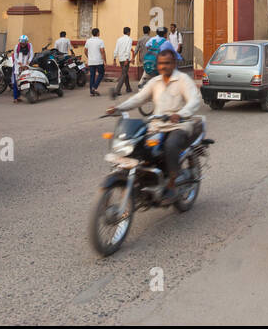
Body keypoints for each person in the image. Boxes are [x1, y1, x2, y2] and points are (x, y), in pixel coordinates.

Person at [109, 47, 203, 203]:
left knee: (171, 145)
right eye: (160, 63)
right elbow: (139, 98)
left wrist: (180, 114)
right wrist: (119, 107)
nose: (163, 67)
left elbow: (194, 100)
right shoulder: (155, 81)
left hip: (179, 125)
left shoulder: (183, 80)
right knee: (138, 146)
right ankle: (143, 179)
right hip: (158, 125)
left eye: (166, 63)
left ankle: (173, 182)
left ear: (173, 63)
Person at [112, 26, 135, 97]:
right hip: (125, 59)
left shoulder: (119, 39)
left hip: (120, 58)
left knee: (125, 73)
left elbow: (116, 49)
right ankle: (117, 90)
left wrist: (114, 59)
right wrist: (127, 59)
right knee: (124, 74)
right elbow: (128, 50)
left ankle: (128, 88)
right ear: (128, 32)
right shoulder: (129, 39)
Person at [11, 35, 33, 104]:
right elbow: (15, 56)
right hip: (18, 66)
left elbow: (31, 54)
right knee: (16, 82)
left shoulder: (29, 46)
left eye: (24, 43)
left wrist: (28, 62)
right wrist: (19, 63)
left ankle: (19, 96)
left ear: (26, 42)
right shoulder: (17, 46)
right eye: (21, 43)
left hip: (26, 66)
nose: (22, 45)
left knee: (22, 81)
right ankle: (15, 98)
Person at [85, 27, 106, 95]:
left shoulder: (88, 41)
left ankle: (92, 91)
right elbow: (102, 51)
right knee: (101, 74)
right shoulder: (100, 41)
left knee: (92, 76)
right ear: (98, 33)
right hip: (99, 61)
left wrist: (89, 57)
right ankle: (94, 87)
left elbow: (85, 51)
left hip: (91, 61)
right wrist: (104, 60)